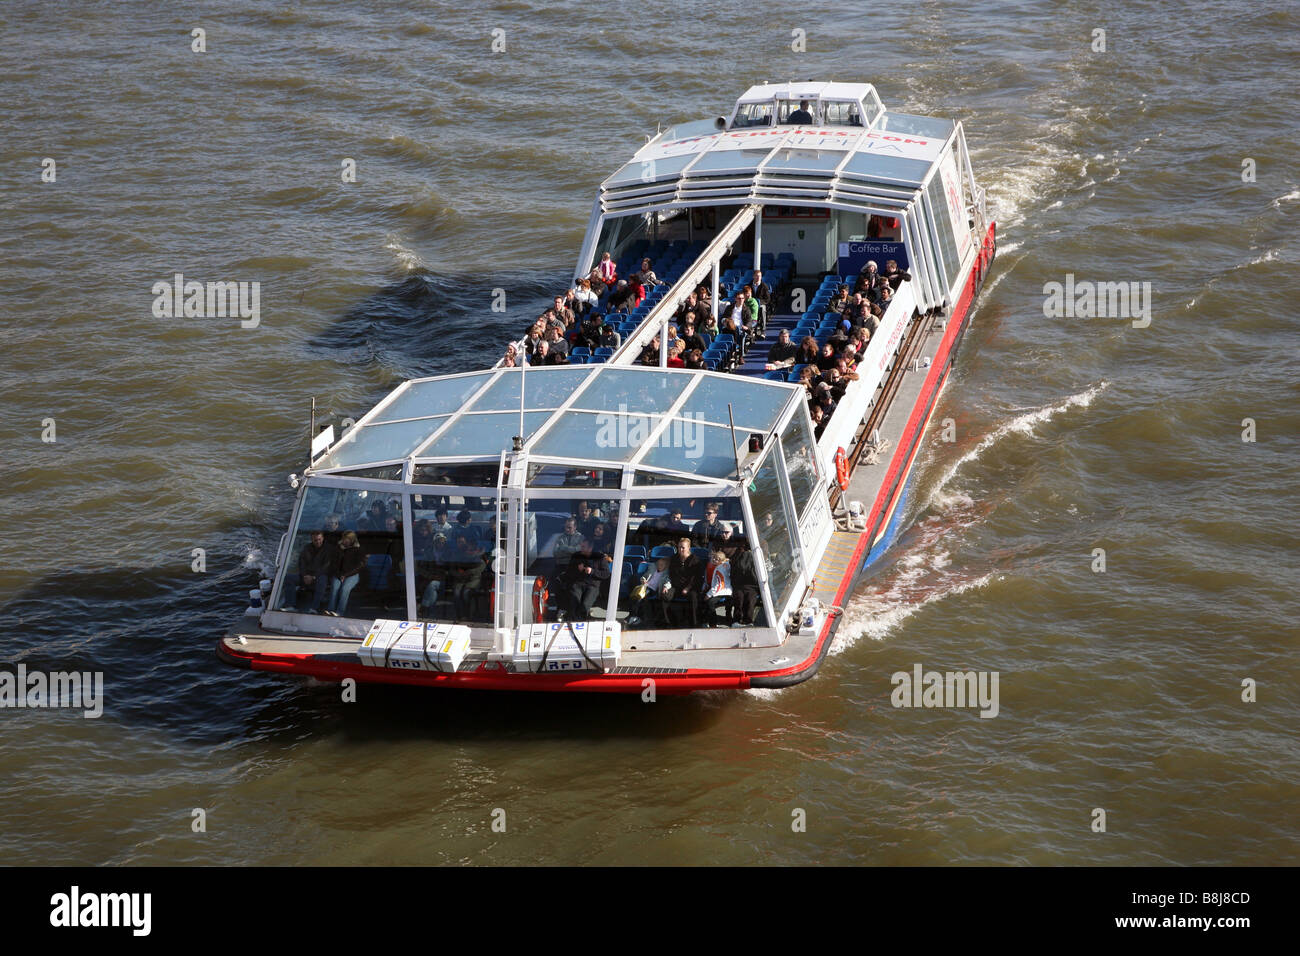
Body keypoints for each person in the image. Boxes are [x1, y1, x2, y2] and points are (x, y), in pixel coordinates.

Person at [562, 540, 610, 621]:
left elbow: (606, 574)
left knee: (585, 604)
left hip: (593, 585)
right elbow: (568, 572)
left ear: (590, 548)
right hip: (578, 583)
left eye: (583, 547)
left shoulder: (600, 557)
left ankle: (582, 620)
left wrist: (592, 571)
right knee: (574, 601)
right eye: (581, 547)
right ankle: (572, 620)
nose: (581, 549)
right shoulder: (576, 556)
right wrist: (577, 569)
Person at [663, 537, 703, 627]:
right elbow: (671, 575)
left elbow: (697, 578)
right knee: (665, 595)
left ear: (689, 548)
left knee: (693, 596)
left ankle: (694, 623)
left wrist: (688, 588)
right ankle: (668, 622)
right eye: (679, 547)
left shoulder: (695, 560)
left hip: (690, 587)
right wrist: (667, 586)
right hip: (676, 586)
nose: (680, 549)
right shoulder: (674, 558)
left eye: (683, 547)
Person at [297, 530, 338, 613]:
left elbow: (326, 567)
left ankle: (314, 608)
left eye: (319, 539)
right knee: (288, 578)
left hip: (321, 575)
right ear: (312, 539)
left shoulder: (329, 549)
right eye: (315, 540)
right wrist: (305, 575)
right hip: (307, 576)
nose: (318, 541)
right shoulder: (307, 548)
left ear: (322, 538)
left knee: (322, 580)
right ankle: (290, 605)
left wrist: (313, 577)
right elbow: (301, 562)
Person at [327, 531, 365, 617]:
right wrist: (338, 574)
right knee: (335, 587)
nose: (344, 541)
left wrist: (346, 575)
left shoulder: (358, 549)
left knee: (345, 589)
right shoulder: (338, 548)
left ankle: (340, 612)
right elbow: (333, 563)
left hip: (352, 575)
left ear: (352, 540)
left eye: (347, 539)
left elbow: (360, 565)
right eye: (343, 539)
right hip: (338, 574)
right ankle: (330, 610)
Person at [629, 557, 670, 627]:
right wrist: (643, 580)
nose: (659, 566)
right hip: (645, 586)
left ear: (665, 566)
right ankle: (633, 614)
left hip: (653, 589)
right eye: (658, 564)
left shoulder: (665, 574)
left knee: (640, 598)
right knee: (634, 596)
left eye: (662, 565)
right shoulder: (652, 570)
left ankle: (636, 616)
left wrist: (666, 586)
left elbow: (668, 581)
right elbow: (644, 577)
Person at [729, 547, 760, 626]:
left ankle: (748, 620)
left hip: (752, 586)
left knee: (750, 600)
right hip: (739, 585)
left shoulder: (758, 549)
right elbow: (734, 571)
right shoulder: (739, 552)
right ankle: (737, 620)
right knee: (739, 599)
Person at [702, 548, 733, 627]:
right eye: (714, 558)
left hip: (724, 591)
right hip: (726, 590)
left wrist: (708, 595)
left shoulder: (720, 569)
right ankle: (706, 619)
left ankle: (713, 623)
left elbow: (719, 585)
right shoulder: (725, 565)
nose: (715, 560)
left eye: (717, 559)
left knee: (710, 602)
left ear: (721, 561)